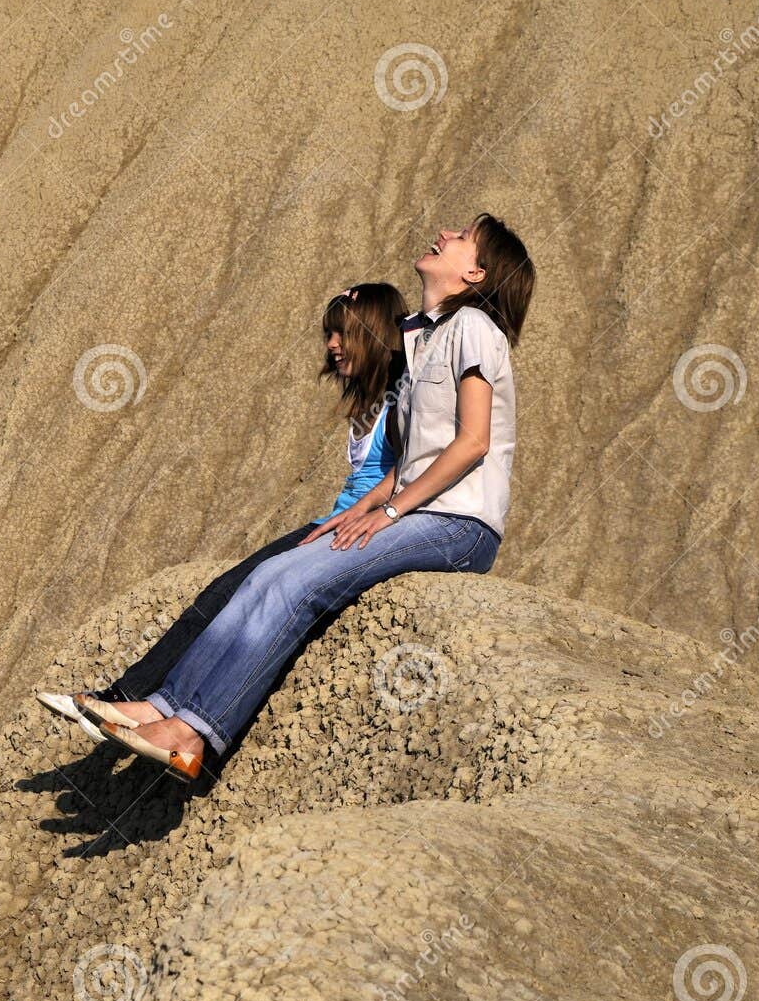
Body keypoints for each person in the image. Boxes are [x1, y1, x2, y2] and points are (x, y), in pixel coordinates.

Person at [87, 213, 535, 782]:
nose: (445, 234)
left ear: (475, 271)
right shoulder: (427, 337)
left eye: (462, 238)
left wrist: (391, 513)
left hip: (460, 525)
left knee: (300, 584)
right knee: (269, 573)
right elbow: (408, 462)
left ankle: (194, 733)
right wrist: (358, 511)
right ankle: (162, 707)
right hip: (422, 509)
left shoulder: (474, 326)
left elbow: (473, 443)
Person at [38, 281, 407, 738]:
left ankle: (136, 705)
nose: (331, 346)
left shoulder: (402, 400)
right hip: (332, 523)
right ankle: (132, 702)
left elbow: (415, 468)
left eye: (342, 333)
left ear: (373, 334)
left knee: (229, 594)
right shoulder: (369, 404)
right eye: (328, 334)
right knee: (225, 591)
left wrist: (379, 517)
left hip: (346, 531)